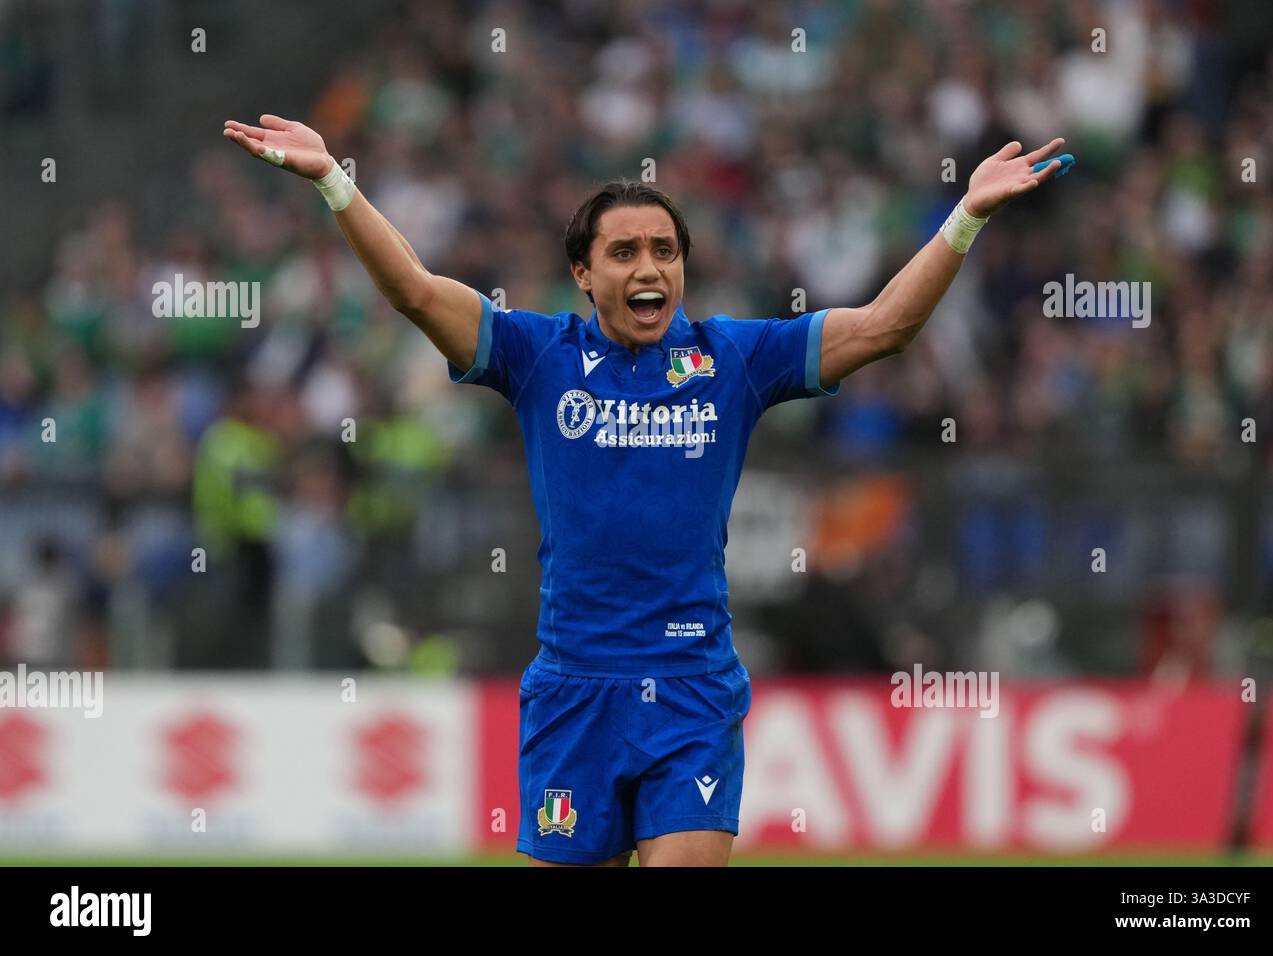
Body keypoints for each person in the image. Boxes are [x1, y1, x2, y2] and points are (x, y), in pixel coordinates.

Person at [222, 112, 1066, 866]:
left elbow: (884, 326)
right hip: (574, 690)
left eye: (664, 250)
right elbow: (413, 288)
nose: (648, 266)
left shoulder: (733, 358)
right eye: (623, 252)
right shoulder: (534, 354)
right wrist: (335, 180)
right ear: (584, 275)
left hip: (692, 688)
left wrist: (966, 217)